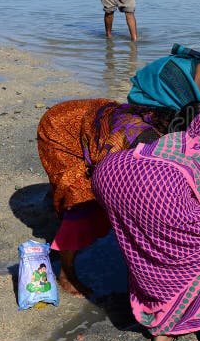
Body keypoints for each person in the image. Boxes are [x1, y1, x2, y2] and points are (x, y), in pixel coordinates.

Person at [92, 108, 200, 341]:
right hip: (158, 186)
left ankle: (162, 334)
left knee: (147, 249)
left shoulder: (176, 142)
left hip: (111, 172)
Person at [37, 99, 189, 298]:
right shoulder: (134, 143)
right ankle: (66, 274)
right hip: (60, 126)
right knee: (81, 205)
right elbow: (110, 184)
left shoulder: (171, 126)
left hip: (91, 119)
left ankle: (56, 196)